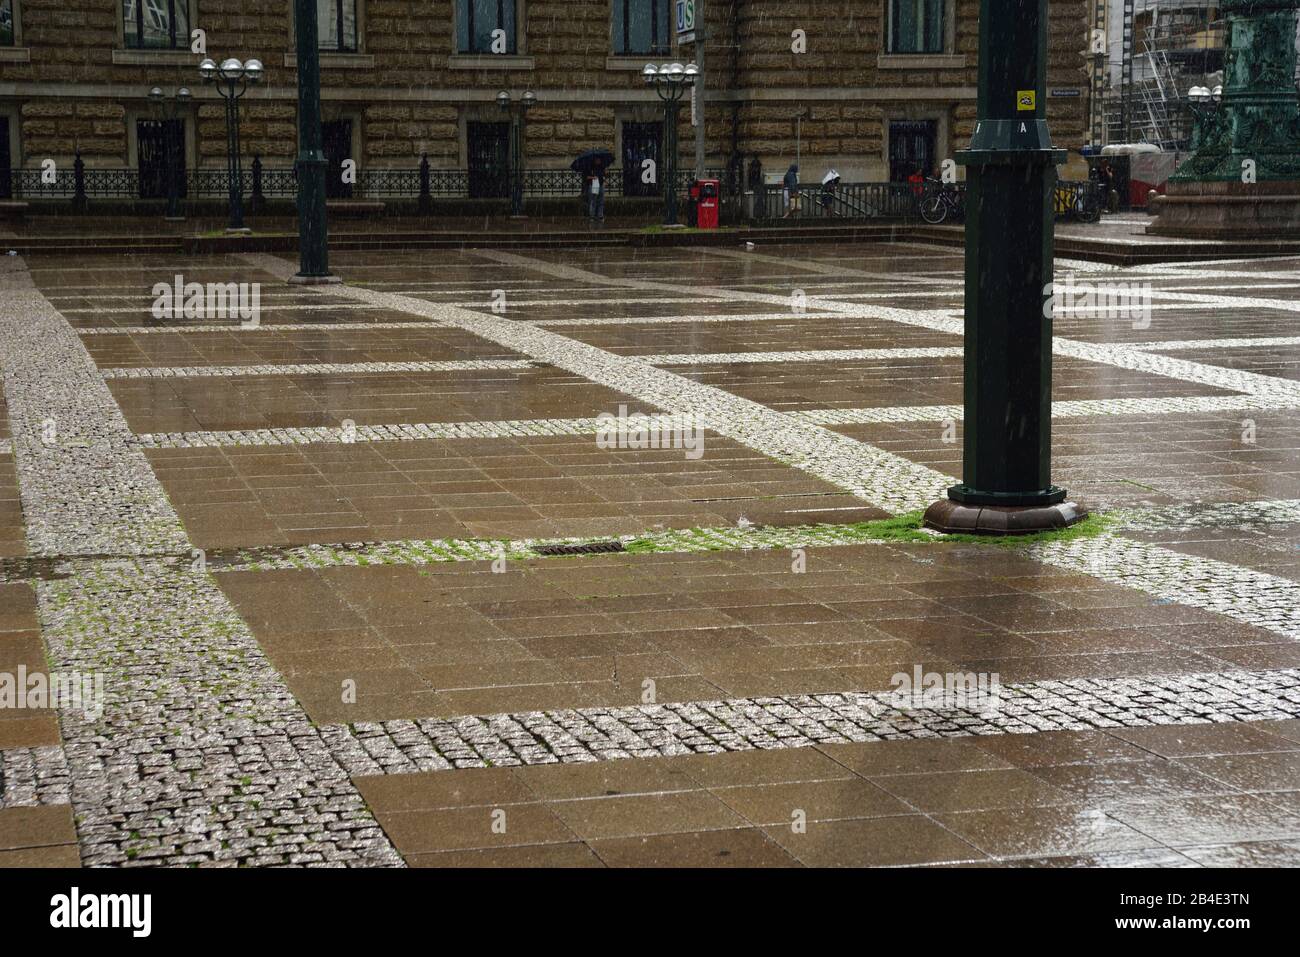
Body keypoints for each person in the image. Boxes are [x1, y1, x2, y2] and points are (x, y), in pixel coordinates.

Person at [586, 157, 607, 226]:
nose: (598, 161)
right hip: (593, 185)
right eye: (597, 159)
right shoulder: (590, 168)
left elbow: (604, 176)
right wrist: (593, 177)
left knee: (601, 201)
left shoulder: (602, 167)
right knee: (593, 201)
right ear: (594, 160)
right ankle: (592, 216)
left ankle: (600, 215)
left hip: (601, 185)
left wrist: (604, 179)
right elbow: (587, 177)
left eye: (599, 159)